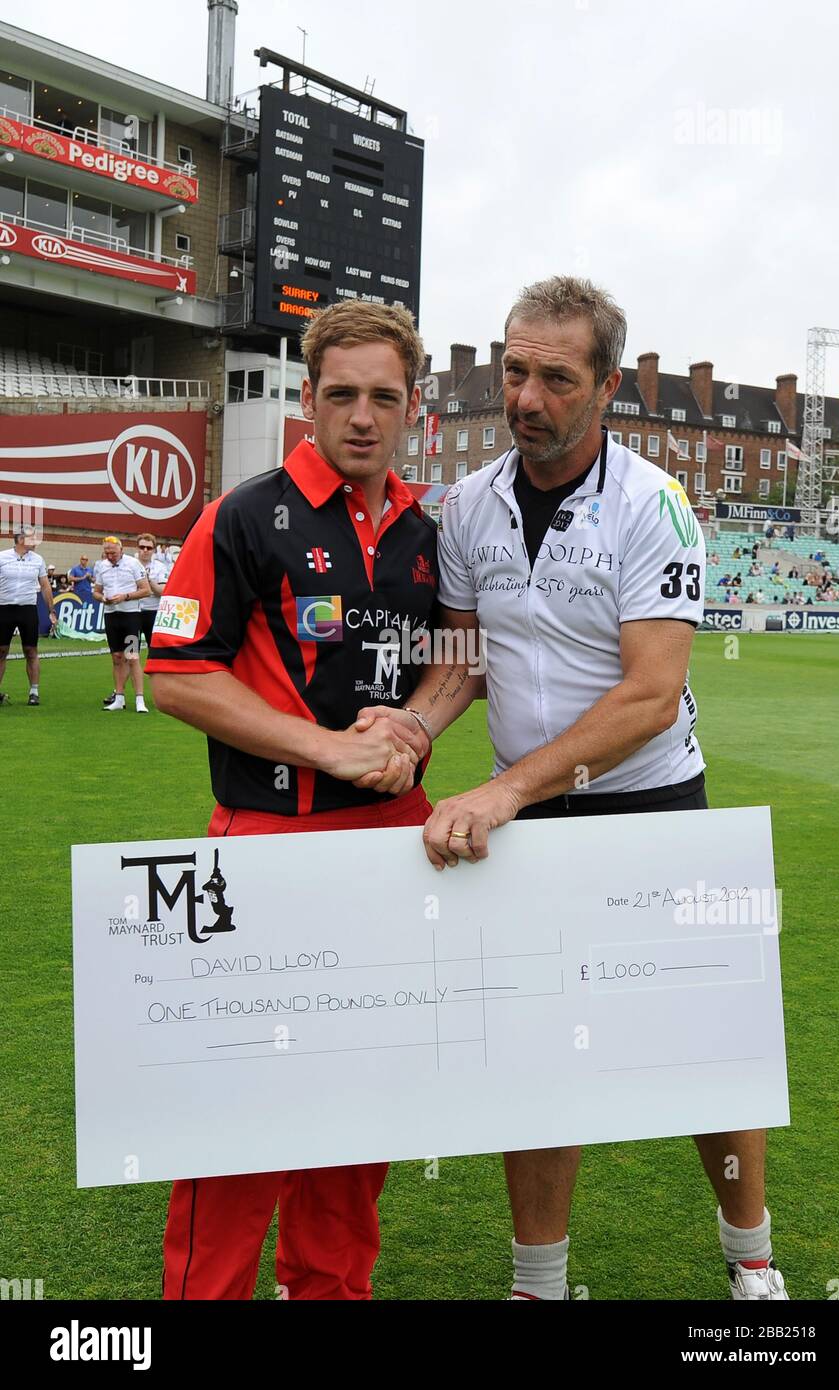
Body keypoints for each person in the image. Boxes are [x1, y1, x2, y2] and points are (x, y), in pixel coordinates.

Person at [356, 274, 788, 1302]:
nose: (525, 396)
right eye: (514, 370)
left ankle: (751, 1260)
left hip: (649, 806)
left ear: (602, 391)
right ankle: (537, 1284)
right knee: (533, 1051)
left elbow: (648, 695)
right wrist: (415, 722)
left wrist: (503, 792)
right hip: (536, 810)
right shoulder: (465, 505)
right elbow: (462, 656)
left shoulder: (655, 503)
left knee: (704, 1053)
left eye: (555, 377)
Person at [146, 299, 438, 1301]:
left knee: (363, 1107)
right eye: (342, 394)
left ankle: (327, 1291)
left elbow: (458, 661)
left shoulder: (422, 531)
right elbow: (177, 674)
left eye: (384, 397)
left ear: (412, 410)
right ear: (307, 400)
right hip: (269, 845)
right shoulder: (243, 514)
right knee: (243, 1111)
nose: (363, 416)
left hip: (393, 854)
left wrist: (415, 729)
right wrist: (330, 750)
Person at [92, 537, 151, 713]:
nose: (110, 556)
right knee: (116, 657)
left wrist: (125, 596)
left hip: (131, 616)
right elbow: (96, 591)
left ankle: (140, 699)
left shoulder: (133, 564)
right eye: (107, 553)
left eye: (113, 553)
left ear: (121, 550)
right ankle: (119, 698)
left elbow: (146, 590)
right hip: (111, 616)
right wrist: (103, 599)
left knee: (132, 656)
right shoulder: (102, 566)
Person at [0, 526, 57, 704]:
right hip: (4, 608)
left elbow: (45, 586)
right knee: (1, 651)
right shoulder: (2, 557)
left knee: (30, 650)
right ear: (21, 539)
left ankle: (34, 692)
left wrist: (51, 610)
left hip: (28, 609)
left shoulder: (38, 560)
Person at [135, 533, 169, 648]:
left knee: (154, 650)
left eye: (149, 548)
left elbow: (163, 592)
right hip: (132, 613)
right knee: (131, 652)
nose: (145, 550)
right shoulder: (129, 565)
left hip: (153, 613)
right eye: (142, 547)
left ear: (154, 550)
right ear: (137, 548)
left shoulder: (160, 567)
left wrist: (147, 580)